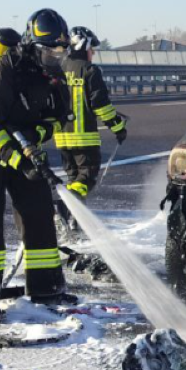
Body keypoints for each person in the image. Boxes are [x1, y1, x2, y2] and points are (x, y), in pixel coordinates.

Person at [0, 10, 72, 319]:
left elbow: (60, 118)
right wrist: (16, 157)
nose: (55, 57)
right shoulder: (3, 69)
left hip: (25, 150)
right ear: (31, 45)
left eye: (60, 51)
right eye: (48, 50)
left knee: (39, 214)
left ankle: (47, 287)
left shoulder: (52, 73)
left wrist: (36, 135)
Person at [53, 26, 127, 234]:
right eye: (91, 48)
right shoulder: (90, 70)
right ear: (83, 45)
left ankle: (75, 222)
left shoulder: (60, 68)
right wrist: (118, 127)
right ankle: (64, 206)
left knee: (74, 178)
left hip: (62, 138)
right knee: (86, 177)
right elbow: (100, 105)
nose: (92, 53)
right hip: (84, 138)